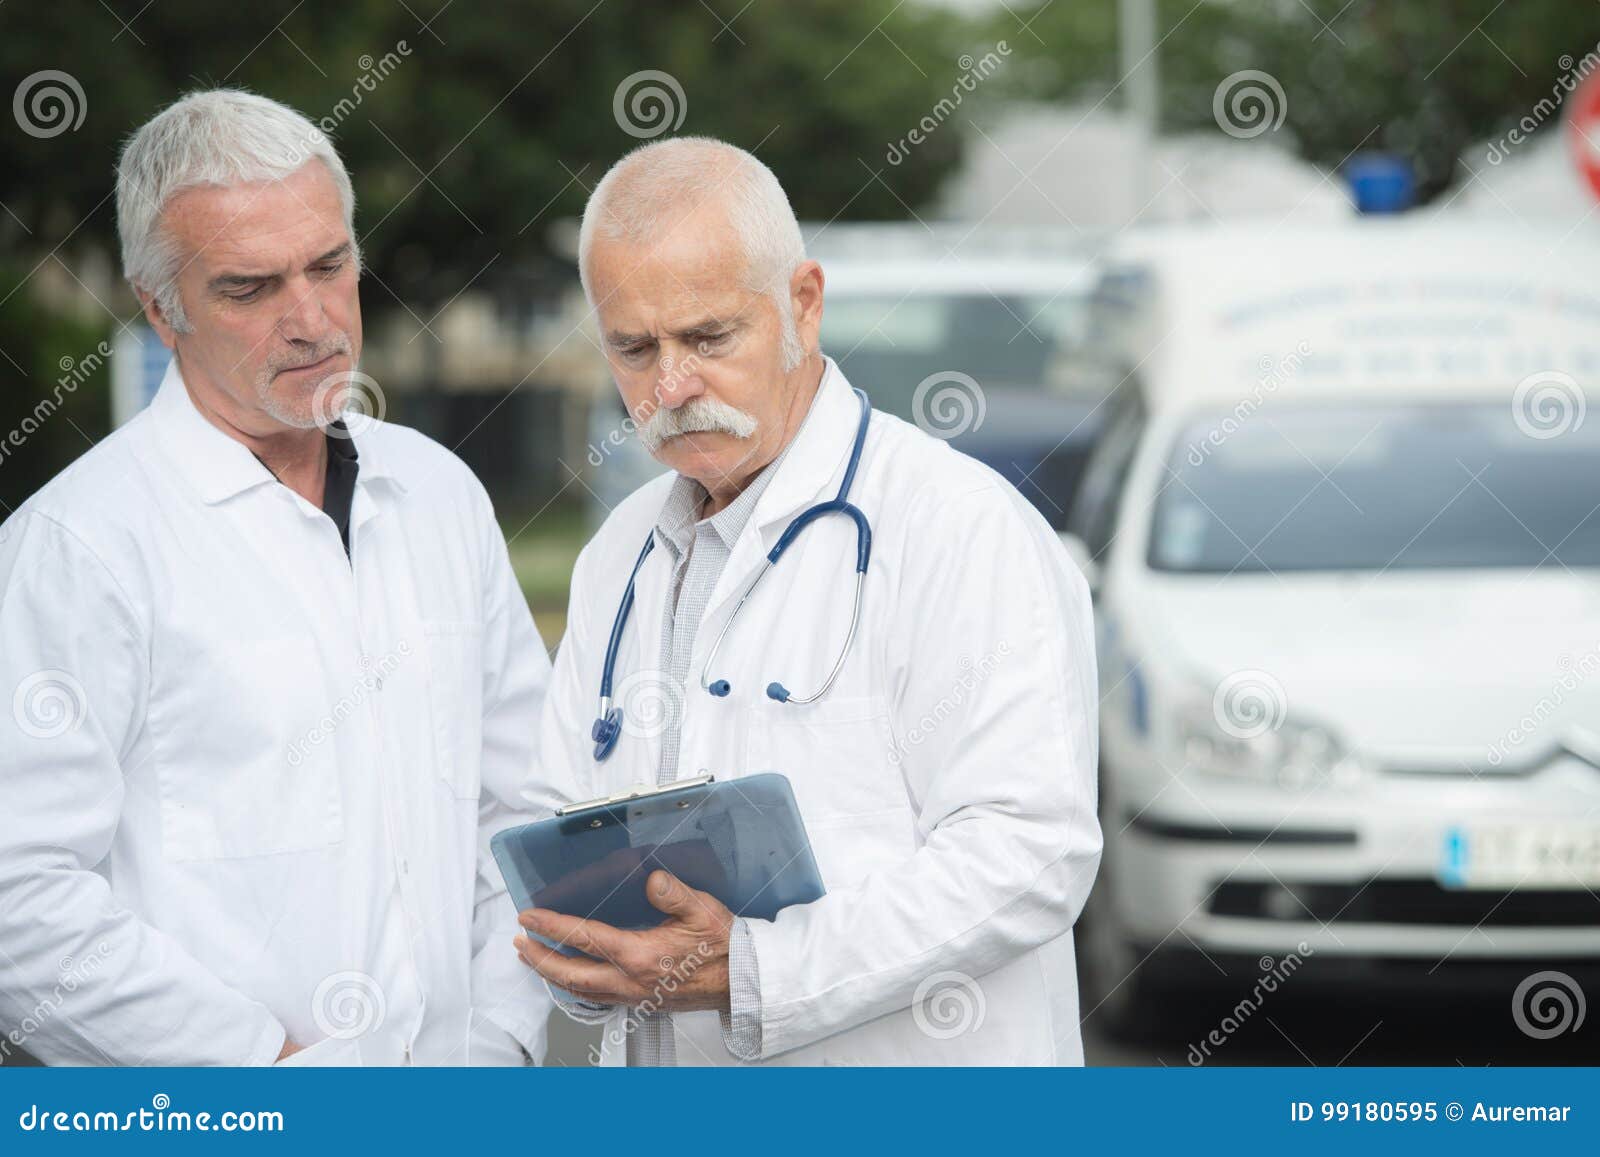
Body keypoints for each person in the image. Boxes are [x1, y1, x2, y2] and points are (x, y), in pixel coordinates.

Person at [515, 136, 1102, 1065]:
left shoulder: (957, 527)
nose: (671, 387)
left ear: (804, 305)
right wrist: (585, 955)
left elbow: (1029, 852)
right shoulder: (617, 554)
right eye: (633, 348)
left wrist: (757, 970)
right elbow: (555, 815)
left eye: (708, 337)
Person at [0, 90, 549, 1066]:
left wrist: (500, 1038)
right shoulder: (77, 549)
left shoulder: (439, 493)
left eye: (330, 266)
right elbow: (20, 894)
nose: (311, 320)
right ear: (160, 309)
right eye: (250, 288)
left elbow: (523, 805)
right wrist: (269, 1071)